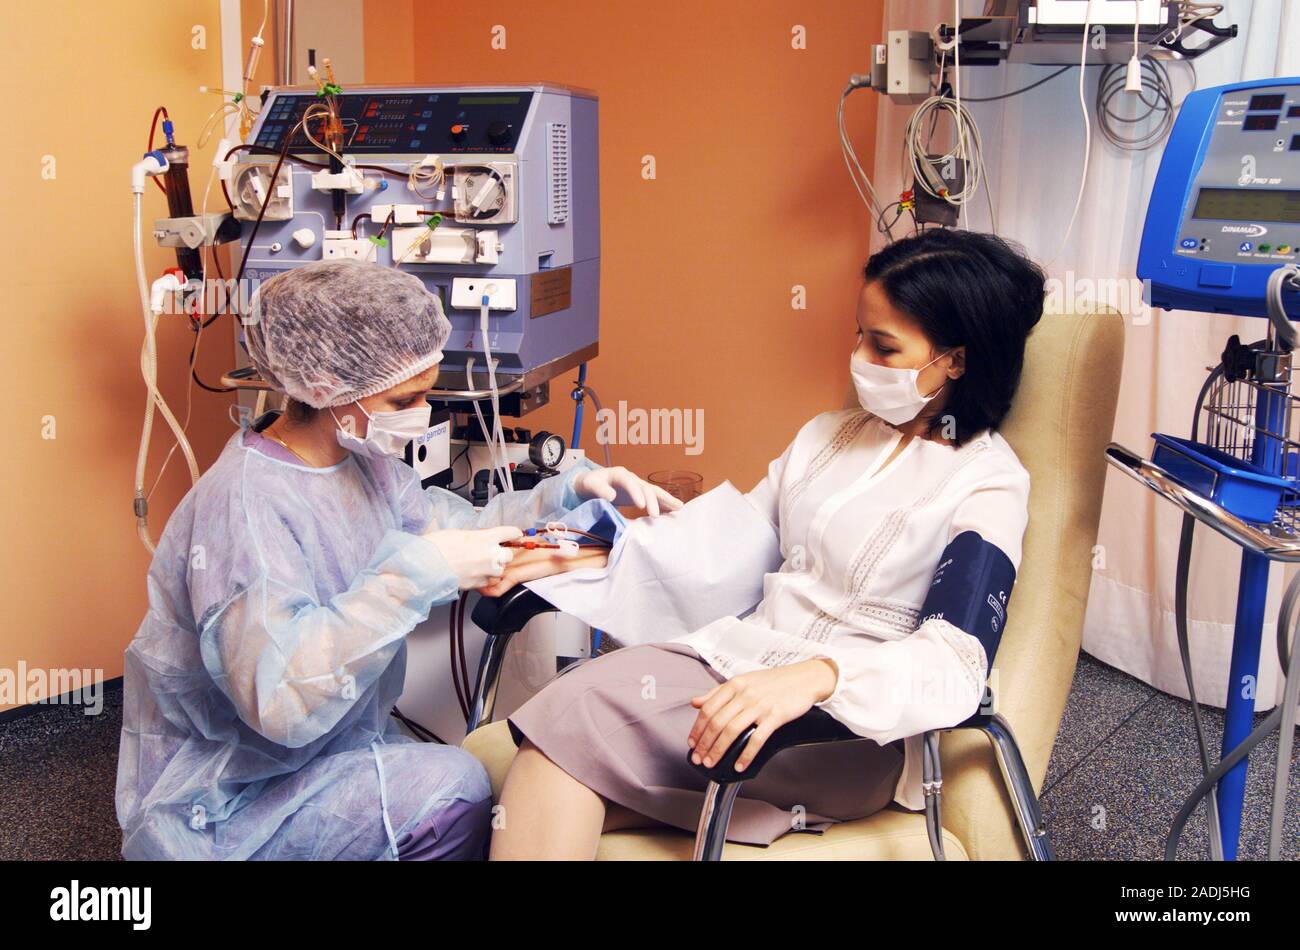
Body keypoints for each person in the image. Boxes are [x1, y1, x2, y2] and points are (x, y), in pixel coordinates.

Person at [486, 229, 1043, 859]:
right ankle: (743, 813)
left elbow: (956, 660)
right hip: (737, 669)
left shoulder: (987, 485)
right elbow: (730, 545)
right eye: (858, 335)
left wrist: (820, 676)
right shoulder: (829, 435)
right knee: (551, 772)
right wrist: (595, 549)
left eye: (882, 347)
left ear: (957, 361)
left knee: (568, 718)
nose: (857, 359)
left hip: (841, 728)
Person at [116, 259, 679, 860]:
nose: (423, 413)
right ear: (328, 388)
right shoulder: (245, 507)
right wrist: (415, 576)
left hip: (327, 754)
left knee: (478, 786)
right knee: (457, 788)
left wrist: (570, 494)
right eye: (405, 398)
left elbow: (451, 527)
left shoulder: (364, 463)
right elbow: (278, 702)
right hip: (231, 799)